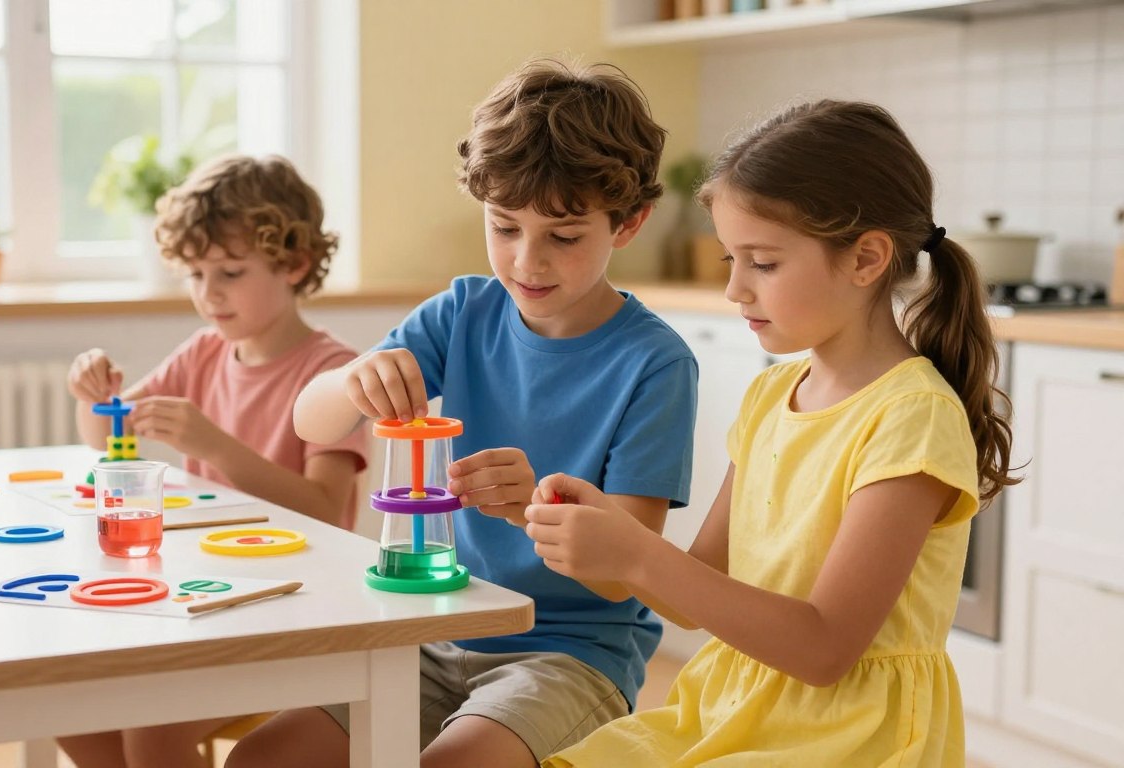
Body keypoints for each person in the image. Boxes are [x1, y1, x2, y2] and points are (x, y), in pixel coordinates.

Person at [226, 58, 698, 768]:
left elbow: (625, 572)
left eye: (563, 237)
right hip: (435, 631)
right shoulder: (464, 312)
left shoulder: (655, 364)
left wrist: (529, 512)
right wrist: (355, 378)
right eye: (504, 226)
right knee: (262, 759)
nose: (527, 261)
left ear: (628, 223)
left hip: (570, 653)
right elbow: (310, 424)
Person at [528, 100, 1019, 767]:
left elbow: (823, 651)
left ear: (866, 258)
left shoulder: (912, 418)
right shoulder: (769, 396)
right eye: (733, 258)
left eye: (761, 262)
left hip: (850, 737)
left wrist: (640, 555)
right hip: (736, 710)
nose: (734, 288)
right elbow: (698, 592)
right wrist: (604, 534)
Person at [59, 154, 368, 768]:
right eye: (196, 274)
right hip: (204, 598)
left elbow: (326, 511)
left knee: (150, 719)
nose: (208, 293)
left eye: (229, 271)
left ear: (295, 263)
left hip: (298, 608)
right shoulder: (204, 353)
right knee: (69, 702)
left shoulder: (331, 374)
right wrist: (90, 393)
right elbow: (103, 436)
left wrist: (215, 447)